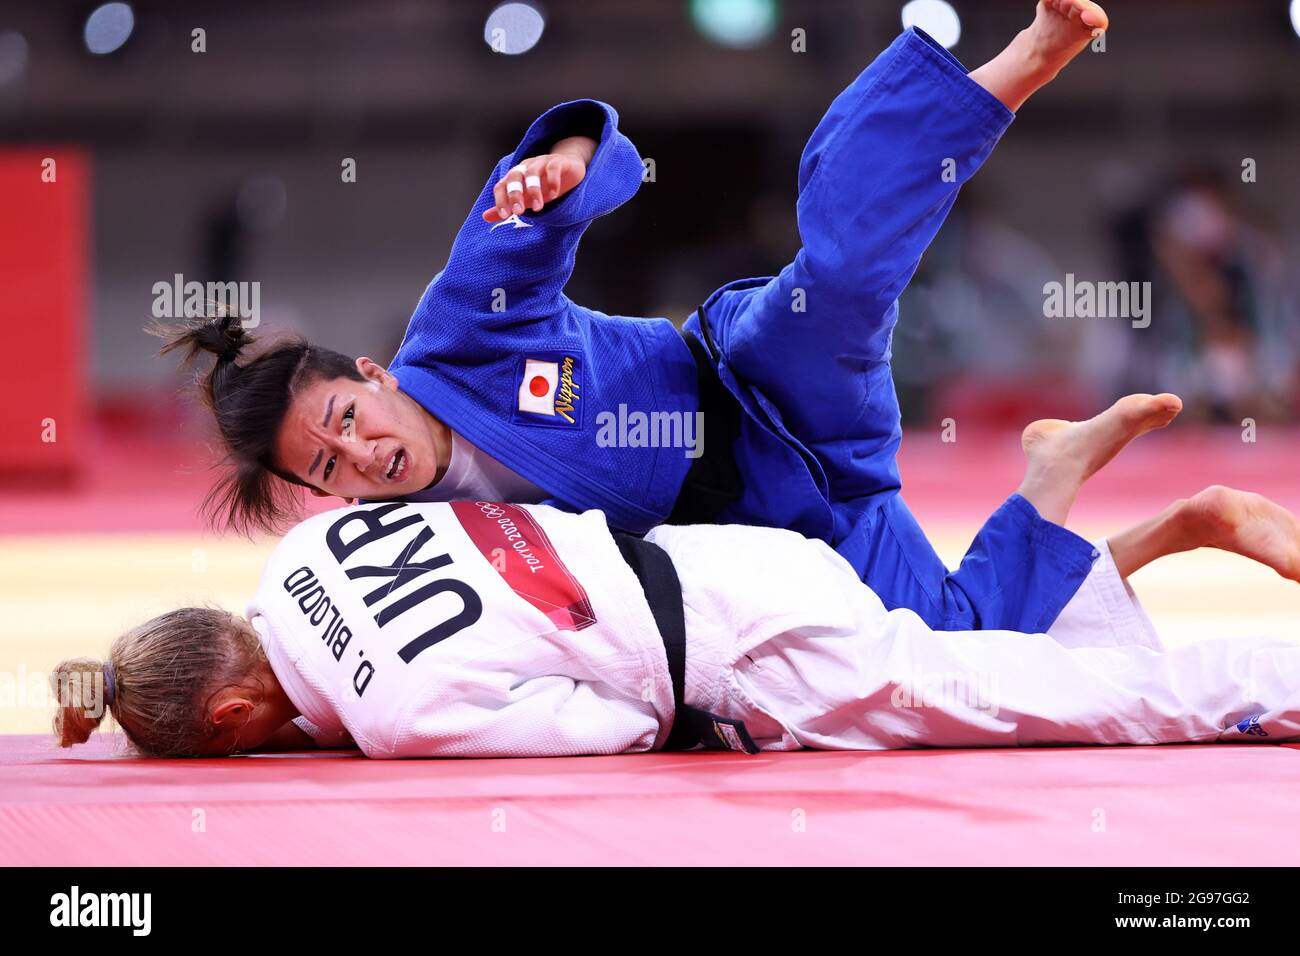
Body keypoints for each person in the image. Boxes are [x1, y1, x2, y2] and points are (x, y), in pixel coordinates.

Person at [157, 2, 1124, 634]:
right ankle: (1055, 471)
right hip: (778, 528)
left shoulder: (456, 328)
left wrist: (566, 162)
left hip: (748, 375)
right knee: (953, 654)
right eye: (327, 471)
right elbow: (288, 644)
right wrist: (121, 694)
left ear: (370, 374)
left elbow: (571, 162)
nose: (362, 458)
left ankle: (1013, 65)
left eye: (342, 422)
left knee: (843, 277)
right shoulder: (401, 538)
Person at [51, 474, 1300, 758]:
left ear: (230, 711)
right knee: (991, 674)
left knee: (1082, 709)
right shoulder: (310, 542)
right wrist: (104, 689)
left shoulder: (392, 717)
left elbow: (613, 733)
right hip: (717, 556)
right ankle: (1105, 560)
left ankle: (1271, 678)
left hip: (751, 656)